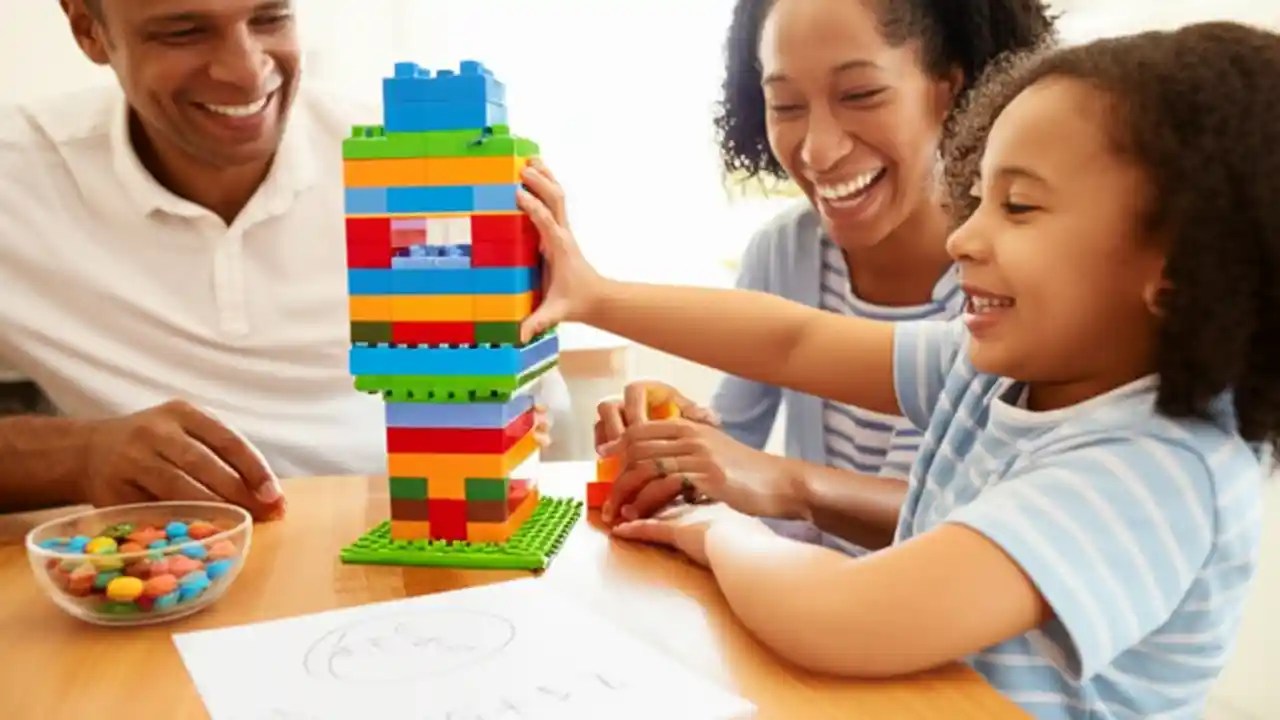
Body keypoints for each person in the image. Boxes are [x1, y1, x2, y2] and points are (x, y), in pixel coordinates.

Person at [515, 21, 1275, 719]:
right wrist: (595, 295)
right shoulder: (1004, 369)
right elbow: (795, 344)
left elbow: (845, 617)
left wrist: (714, 527)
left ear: (1176, 270)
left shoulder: (1152, 469)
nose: (964, 238)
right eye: (977, 197)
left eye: (1018, 207)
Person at [0, 0, 566, 517]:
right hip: (175, 562)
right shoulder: (17, 178)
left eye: (270, 18)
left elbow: (534, 396)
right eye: (184, 31)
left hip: (422, 535)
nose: (246, 71)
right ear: (87, 30)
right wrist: (79, 454)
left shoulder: (424, 171)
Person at [593, 0, 1057, 553]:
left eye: (860, 95)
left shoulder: (1014, 285)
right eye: (785, 105)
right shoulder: (783, 251)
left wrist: (787, 483)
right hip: (792, 610)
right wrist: (677, 439)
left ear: (951, 86)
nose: (818, 149)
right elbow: (734, 461)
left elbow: (991, 522)